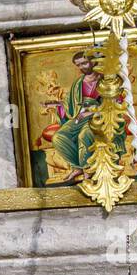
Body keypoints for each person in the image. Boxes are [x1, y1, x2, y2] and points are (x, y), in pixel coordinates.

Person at [45, 50, 122, 184]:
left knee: (84, 135)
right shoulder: (78, 83)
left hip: (101, 117)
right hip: (80, 116)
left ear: (93, 61)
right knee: (58, 137)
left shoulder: (106, 80)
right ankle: (78, 167)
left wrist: (92, 112)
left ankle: (88, 168)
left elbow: (116, 105)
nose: (82, 67)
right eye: (78, 65)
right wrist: (57, 104)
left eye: (84, 63)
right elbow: (71, 105)